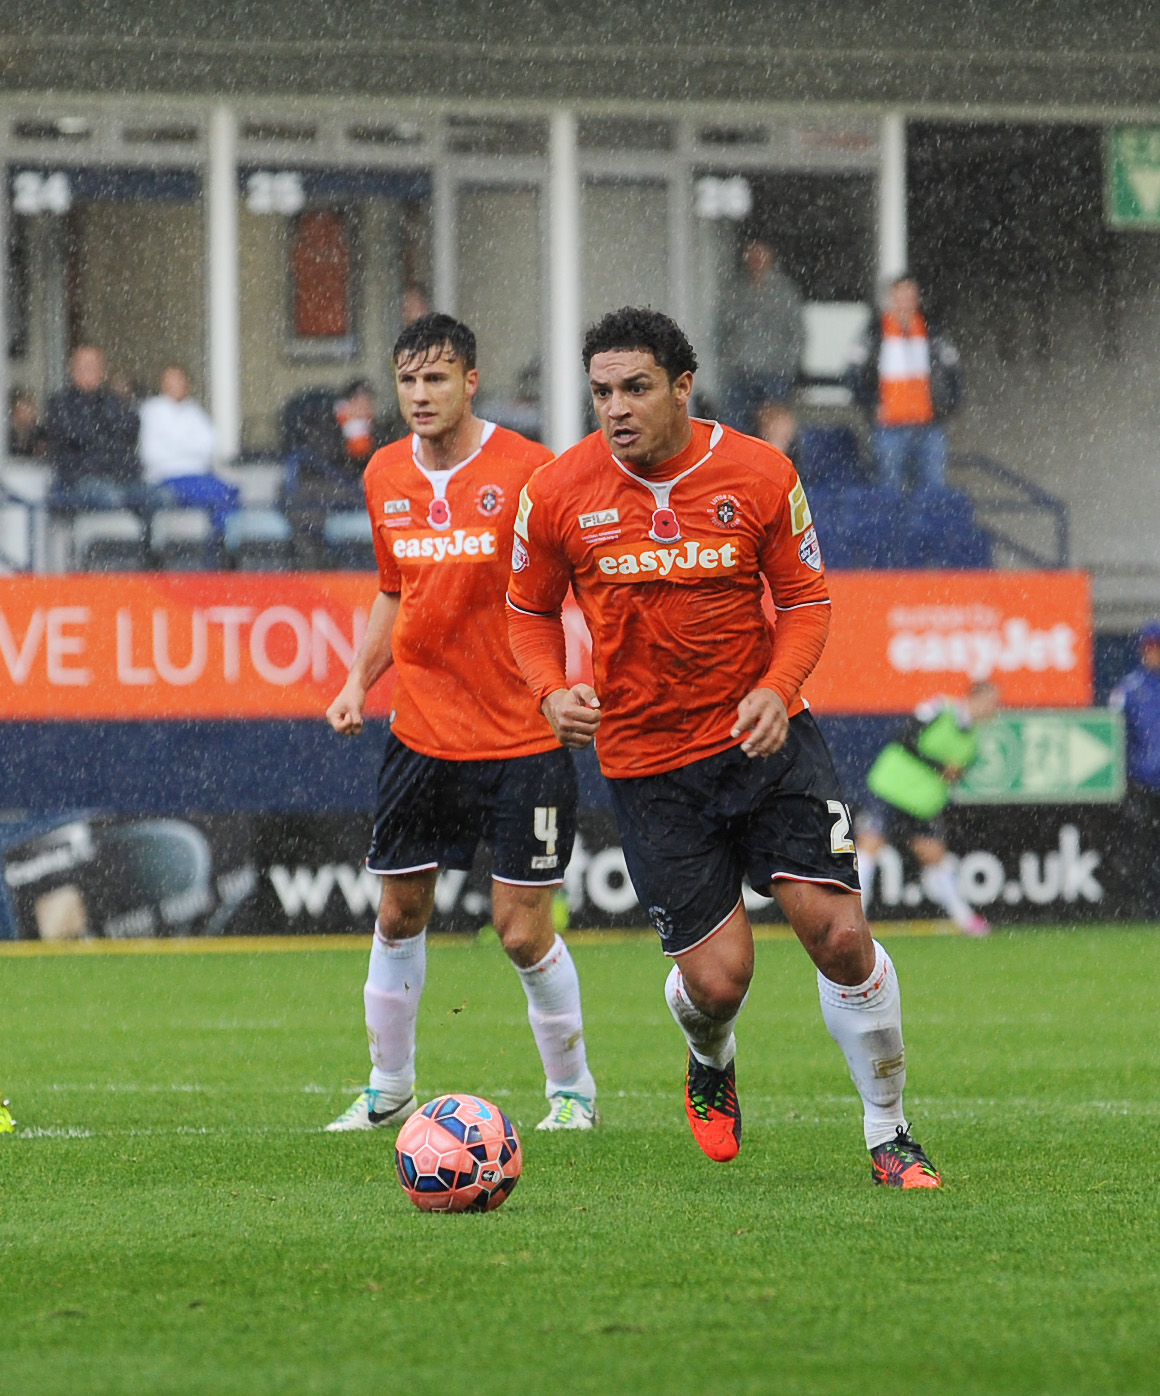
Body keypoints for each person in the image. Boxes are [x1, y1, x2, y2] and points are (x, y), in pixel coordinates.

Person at [506, 306, 940, 1188]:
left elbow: (808, 603)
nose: (616, 408)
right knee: (718, 982)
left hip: (765, 743)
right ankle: (710, 1058)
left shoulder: (760, 472)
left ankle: (889, 1133)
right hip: (650, 767)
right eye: (600, 392)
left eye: (634, 388)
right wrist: (551, 690)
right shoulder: (556, 493)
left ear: (681, 386)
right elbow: (526, 613)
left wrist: (778, 693)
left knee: (839, 935)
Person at [325, 312, 598, 1134]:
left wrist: (583, 683)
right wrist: (356, 681)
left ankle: (572, 1093)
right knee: (398, 914)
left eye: (435, 378)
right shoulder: (382, 475)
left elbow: (585, 587)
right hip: (422, 737)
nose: (419, 394)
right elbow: (392, 588)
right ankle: (387, 1087)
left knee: (519, 932)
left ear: (470, 381)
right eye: (407, 380)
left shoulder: (529, 471)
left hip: (525, 740)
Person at [857, 682, 1001, 936]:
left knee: (935, 857)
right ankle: (856, 920)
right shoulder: (939, 708)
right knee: (869, 848)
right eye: (990, 702)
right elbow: (904, 737)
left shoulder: (974, 740)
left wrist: (950, 773)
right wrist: (939, 765)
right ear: (972, 698)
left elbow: (954, 775)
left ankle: (964, 920)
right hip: (890, 789)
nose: (993, 709)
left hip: (922, 803)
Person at [847, 276, 961, 493]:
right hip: (889, 427)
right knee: (889, 490)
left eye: (910, 296)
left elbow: (953, 371)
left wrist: (947, 407)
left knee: (933, 490)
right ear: (891, 298)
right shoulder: (875, 332)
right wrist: (872, 405)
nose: (905, 302)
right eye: (900, 296)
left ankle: (926, 528)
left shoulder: (932, 331)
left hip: (929, 425)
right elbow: (853, 374)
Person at [138, 365, 239, 532]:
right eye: (170, 381)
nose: (175, 385)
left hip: (199, 475)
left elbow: (211, 446)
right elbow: (151, 454)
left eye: (179, 380)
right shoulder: (151, 410)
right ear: (162, 384)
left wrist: (175, 444)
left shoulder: (194, 411)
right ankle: (216, 547)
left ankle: (221, 545)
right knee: (218, 496)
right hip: (166, 478)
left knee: (230, 493)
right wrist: (190, 445)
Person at [718, 238, 803, 435]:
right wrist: (729, 359)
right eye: (752, 255)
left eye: (760, 254)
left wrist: (789, 366)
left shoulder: (784, 291)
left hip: (774, 371)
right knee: (735, 425)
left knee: (773, 427)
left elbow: (796, 332)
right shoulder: (736, 290)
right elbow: (724, 328)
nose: (756, 260)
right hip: (741, 370)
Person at [44, 344, 141, 511]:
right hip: (79, 480)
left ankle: (148, 538)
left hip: (120, 477)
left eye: (95, 366)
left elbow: (131, 428)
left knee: (157, 498)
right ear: (73, 370)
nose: (90, 371)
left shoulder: (114, 401)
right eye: (84, 366)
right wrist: (107, 436)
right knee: (113, 498)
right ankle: (110, 537)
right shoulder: (60, 403)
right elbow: (80, 436)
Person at [1109, 621, 1160, 917]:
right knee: (1139, 848)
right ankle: (1137, 907)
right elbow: (1115, 735)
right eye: (1149, 648)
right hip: (1142, 782)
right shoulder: (1129, 689)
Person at [9, 387, 46, 458]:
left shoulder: (41, 433)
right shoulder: (5, 434)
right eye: (26, 408)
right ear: (14, 411)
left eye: (32, 407)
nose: (32, 412)